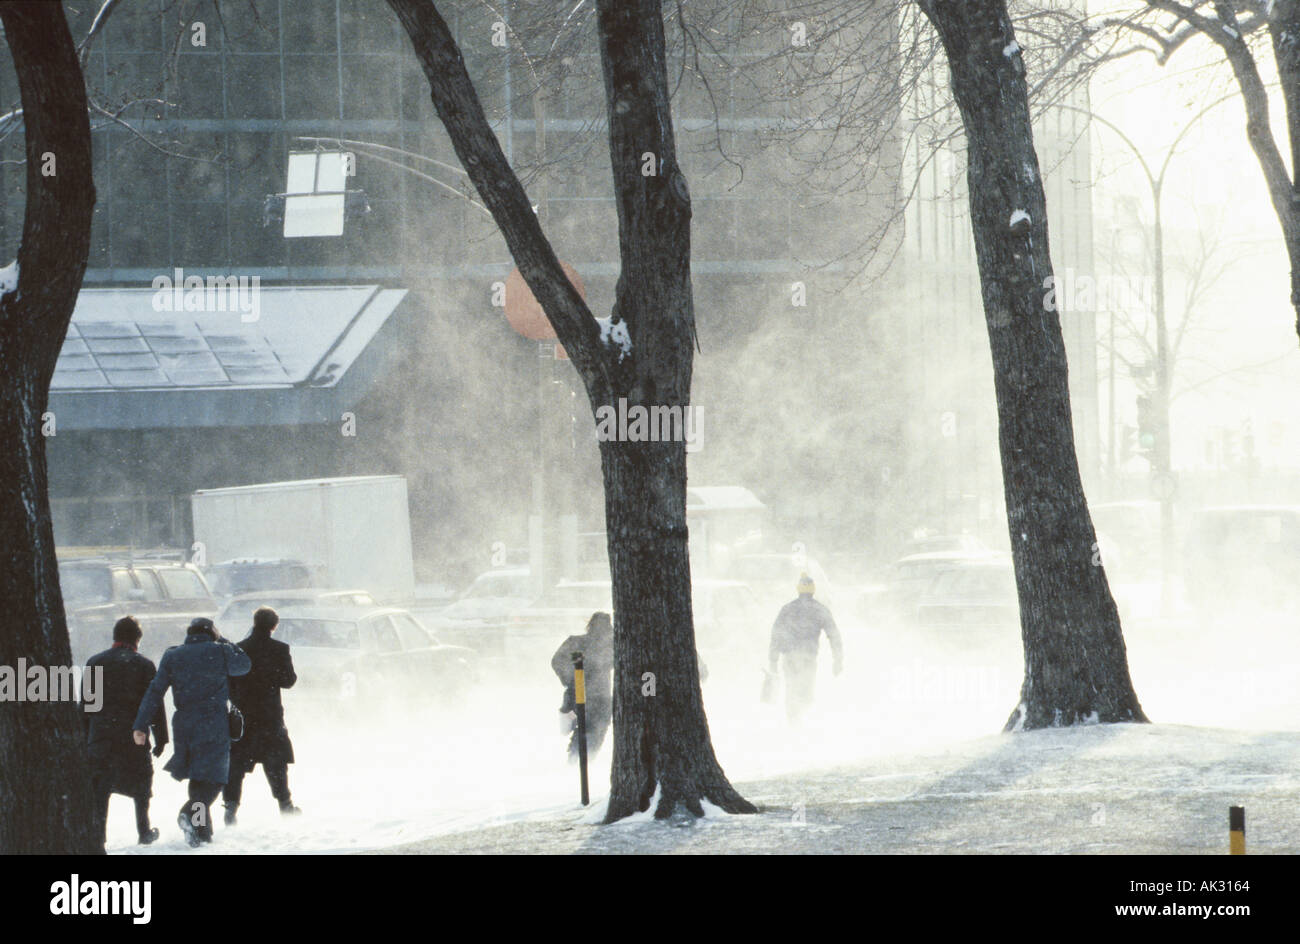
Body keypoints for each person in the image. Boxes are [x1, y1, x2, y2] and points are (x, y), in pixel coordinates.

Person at [133, 617, 250, 847]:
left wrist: (141, 724)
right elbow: (244, 665)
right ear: (211, 632)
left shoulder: (173, 655)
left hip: (184, 724)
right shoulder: (220, 651)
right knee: (215, 779)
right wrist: (224, 640)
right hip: (213, 722)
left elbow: (155, 692)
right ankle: (189, 813)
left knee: (198, 777)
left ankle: (201, 831)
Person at [84, 616, 168, 846]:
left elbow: (87, 705)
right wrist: (161, 737)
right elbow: (154, 705)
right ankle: (143, 831)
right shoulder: (144, 665)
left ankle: (98, 837)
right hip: (133, 737)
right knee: (141, 786)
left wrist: (85, 738)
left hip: (101, 738)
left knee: (100, 790)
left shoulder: (95, 662)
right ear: (137, 639)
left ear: (115, 636)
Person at [222, 606, 300, 824]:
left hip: (244, 718)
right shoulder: (280, 649)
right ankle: (285, 805)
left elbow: (230, 683)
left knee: (236, 765)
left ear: (254, 623)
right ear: (274, 626)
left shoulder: (239, 649)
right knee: (276, 762)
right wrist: (270, 675)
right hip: (270, 715)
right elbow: (289, 681)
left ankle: (230, 808)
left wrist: (239, 701)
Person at [767, 573, 843, 723]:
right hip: (808, 658)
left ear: (798, 590)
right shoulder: (819, 610)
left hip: (789, 657)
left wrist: (773, 660)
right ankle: (801, 719)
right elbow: (834, 635)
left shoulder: (787, 609)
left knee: (791, 688)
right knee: (806, 691)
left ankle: (793, 719)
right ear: (813, 590)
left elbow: (776, 634)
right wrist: (838, 660)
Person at [552, 612, 614, 760]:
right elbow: (558, 661)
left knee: (585, 730)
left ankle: (578, 760)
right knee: (593, 731)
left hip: (587, 696)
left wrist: (570, 681)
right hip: (594, 697)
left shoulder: (578, 642)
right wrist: (572, 680)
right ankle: (579, 761)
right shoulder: (605, 646)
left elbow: (557, 661)